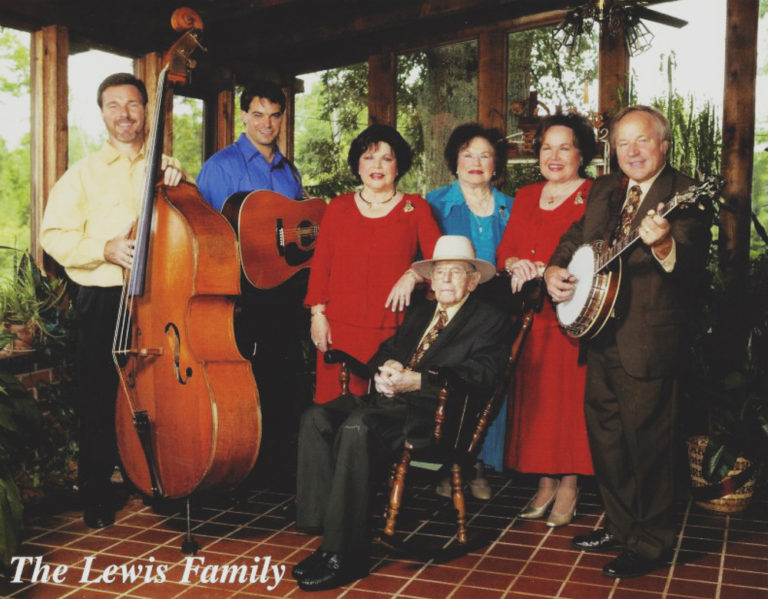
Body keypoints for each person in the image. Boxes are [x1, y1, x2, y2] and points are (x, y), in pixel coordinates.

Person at [545, 106, 711, 578]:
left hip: (649, 341)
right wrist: (555, 271)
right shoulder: (604, 189)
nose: (632, 152)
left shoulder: (685, 193)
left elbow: (695, 267)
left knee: (649, 447)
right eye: (623, 144)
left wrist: (662, 245)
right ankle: (620, 527)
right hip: (600, 336)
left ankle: (651, 542)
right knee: (609, 440)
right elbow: (576, 238)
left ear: (663, 145)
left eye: (642, 141)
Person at [293, 235, 510, 592]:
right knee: (316, 418)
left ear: (473, 280)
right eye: (440, 273)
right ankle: (325, 530)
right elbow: (385, 351)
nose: (447, 281)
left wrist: (418, 381)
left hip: (433, 416)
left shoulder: (489, 319)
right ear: (431, 279)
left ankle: (345, 555)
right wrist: (387, 366)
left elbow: (484, 374)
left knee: (357, 426)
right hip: (388, 404)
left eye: (456, 273)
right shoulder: (422, 312)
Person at [40, 73, 186, 529]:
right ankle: (99, 494)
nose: (125, 114)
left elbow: (187, 228)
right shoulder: (80, 174)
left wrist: (184, 185)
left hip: (157, 299)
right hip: (102, 298)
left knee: (158, 395)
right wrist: (104, 248)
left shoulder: (166, 166)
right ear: (102, 113)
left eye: (133, 105)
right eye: (113, 105)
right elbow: (53, 236)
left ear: (148, 110)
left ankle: (154, 483)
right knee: (99, 398)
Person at [196, 81, 308, 483]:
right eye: (258, 114)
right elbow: (206, 236)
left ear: (283, 118)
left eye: (275, 115)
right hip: (241, 295)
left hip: (284, 293)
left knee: (283, 377)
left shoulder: (289, 169)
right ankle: (245, 467)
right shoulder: (219, 167)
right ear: (242, 116)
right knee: (246, 379)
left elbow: (293, 233)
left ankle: (278, 473)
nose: (267, 123)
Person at [496, 112, 597, 527]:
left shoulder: (594, 194)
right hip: (529, 317)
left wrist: (547, 268)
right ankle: (544, 481)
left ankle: (569, 484)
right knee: (537, 403)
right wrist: (517, 263)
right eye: (546, 148)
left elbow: (593, 255)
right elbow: (505, 252)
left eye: (565, 147)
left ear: (581, 153)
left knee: (568, 403)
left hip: (571, 314)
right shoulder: (525, 195)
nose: (554, 156)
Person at [305, 124, 441, 404]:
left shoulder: (416, 209)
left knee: (378, 423)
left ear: (397, 165)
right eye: (368, 157)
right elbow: (321, 266)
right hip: (338, 330)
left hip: (391, 333)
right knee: (332, 415)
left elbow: (440, 263)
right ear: (358, 164)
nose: (377, 165)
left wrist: (412, 274)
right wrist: (317, 316)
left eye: (386, 158)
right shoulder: (338, 208)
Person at [426, 122, 514, 499]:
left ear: (496, 165)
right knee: (450, 386)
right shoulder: (434, 203)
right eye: (467, 155)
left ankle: (478, 465)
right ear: (455, 162)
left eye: (484, 155)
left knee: (489, 387)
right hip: (449, 314)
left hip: (497, 316)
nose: (476, 162)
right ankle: (447, 465)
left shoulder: (513, 208)